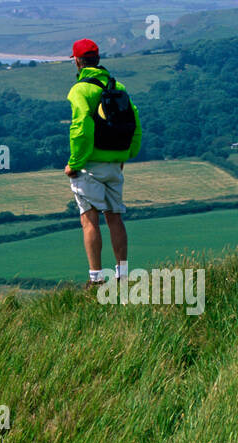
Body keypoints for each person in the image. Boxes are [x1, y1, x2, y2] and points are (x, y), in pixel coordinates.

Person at [65, 39, 143, 288]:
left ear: (77, 61)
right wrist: (125, 155)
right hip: (115, 163)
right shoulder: (118, 86)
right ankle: (122, 274)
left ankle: (96, 279)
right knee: (115, 217)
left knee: (89, 219)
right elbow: (135, 124)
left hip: (90, 166)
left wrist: (74, 163)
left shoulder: (80, 90)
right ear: (98, 59)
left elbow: (81, 128)